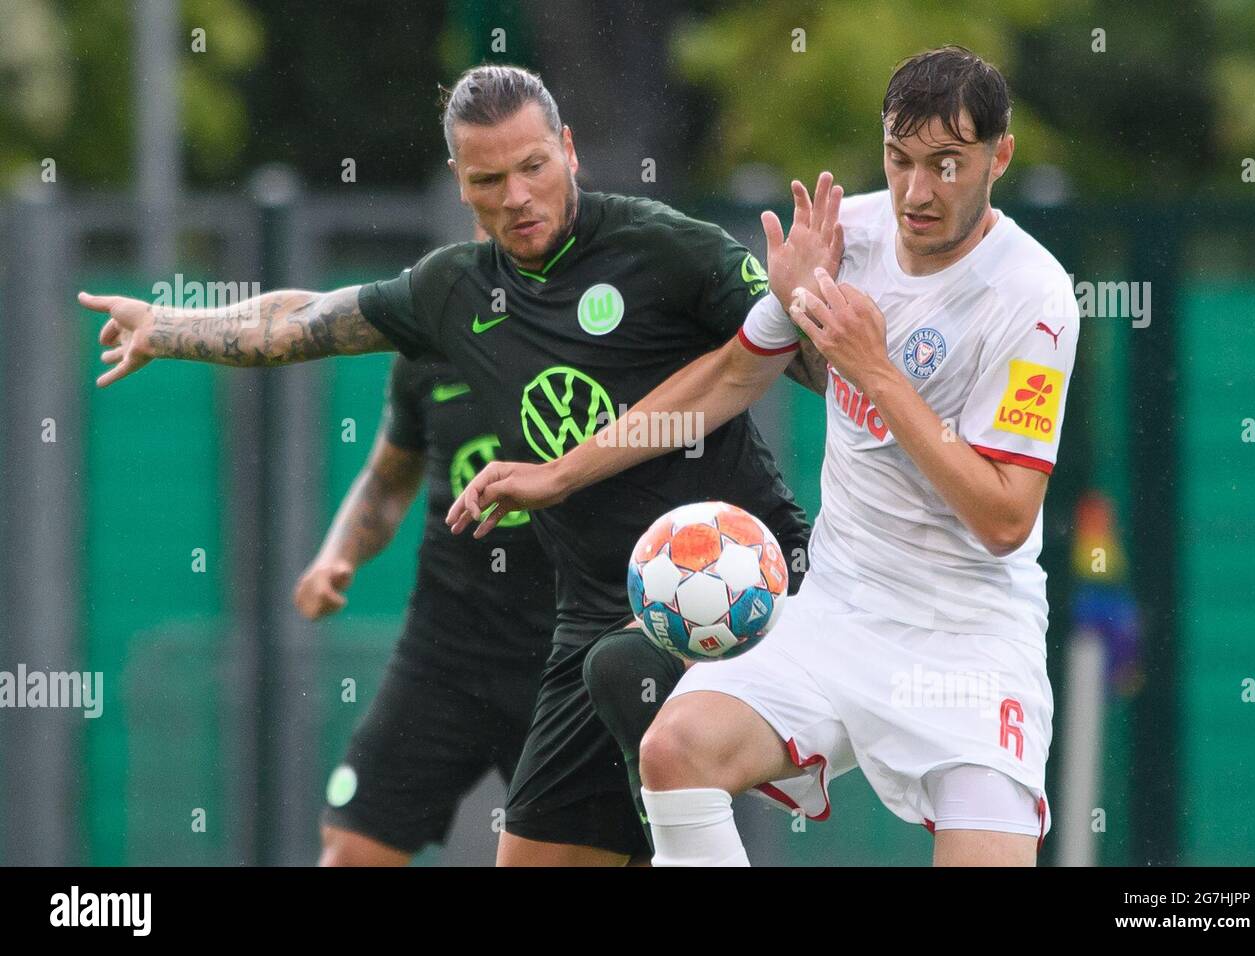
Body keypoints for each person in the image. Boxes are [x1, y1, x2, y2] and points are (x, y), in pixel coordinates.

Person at [79, 63, 834, 866]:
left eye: (534, 168)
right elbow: (301, 318)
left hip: (736, 585)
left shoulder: (666, 247)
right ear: (459, 184)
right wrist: (166, 324)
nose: (517, 197)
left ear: (569, 150)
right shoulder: (451, 293)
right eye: (490, 179)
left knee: (637, 685)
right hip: (585, 620)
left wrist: (804, 302)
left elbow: (813, 370)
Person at [448, 47, 1080, 867]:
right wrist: (559, 473)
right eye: (899, 160)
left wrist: (875, 370)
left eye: (947, 165)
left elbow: (1003, 518)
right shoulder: (841, 237)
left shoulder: (1033, 297)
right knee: (675, 750)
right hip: (840, 608)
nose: (917, 193)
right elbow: (730, 375)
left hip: (969, 641)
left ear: (999, 157)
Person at [299, 353, 554, 865]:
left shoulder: (596, 331)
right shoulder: (428, 331)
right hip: (443, 656)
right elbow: (387, 479)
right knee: (351, 849)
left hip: (567, 663)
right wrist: (336, 555)